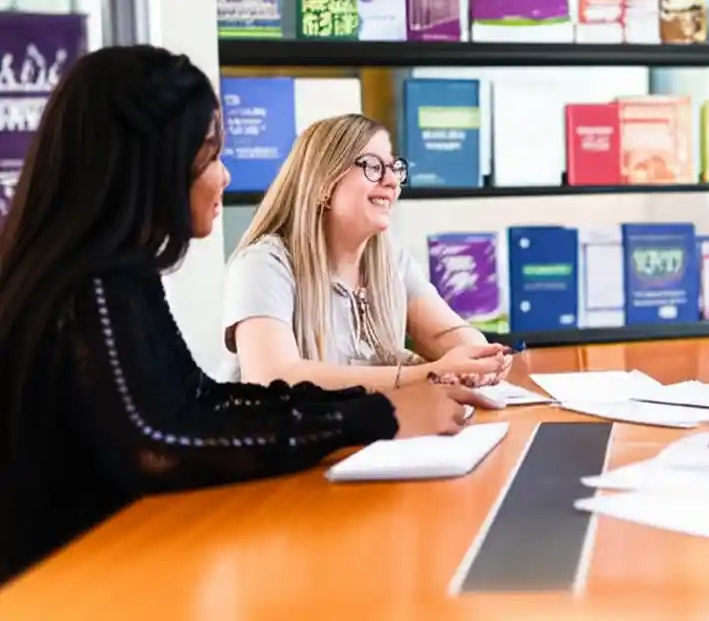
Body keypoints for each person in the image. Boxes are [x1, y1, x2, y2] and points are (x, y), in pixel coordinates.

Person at [0, 46, 501, 583]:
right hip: (70, 585)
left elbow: (201, 399)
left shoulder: (124, 277)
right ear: (155, 166)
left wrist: (380, 407)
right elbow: (159, 444)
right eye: (209, 157)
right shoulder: (92, 290)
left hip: (115, 564)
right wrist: (381, 414)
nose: (224, 175)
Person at [219, 113, 510, 391]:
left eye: (395, 168)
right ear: (324, 183)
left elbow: (441, 332)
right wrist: (428, 373)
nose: (392, 181)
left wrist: (478, 355)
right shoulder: (263, 265)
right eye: (373, 166)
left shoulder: (393, 262)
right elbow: (272, 377)